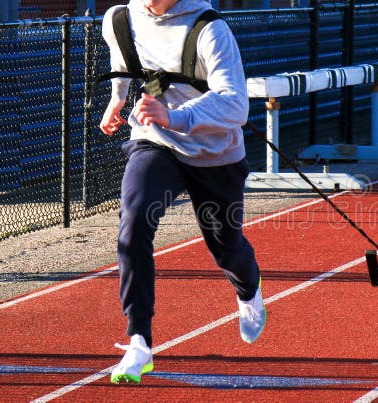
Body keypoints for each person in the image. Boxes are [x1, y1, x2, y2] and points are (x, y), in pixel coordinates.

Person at [99, 0, 266, 384]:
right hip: (155, 142)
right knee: (135, 220)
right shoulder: (119, 19)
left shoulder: (210, 29)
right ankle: (138, 339)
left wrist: (177, 116)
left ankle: (249, 289)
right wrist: (117, 99)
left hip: (215, 152)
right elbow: (124, 61)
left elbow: (236, 103)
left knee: (227, 247)